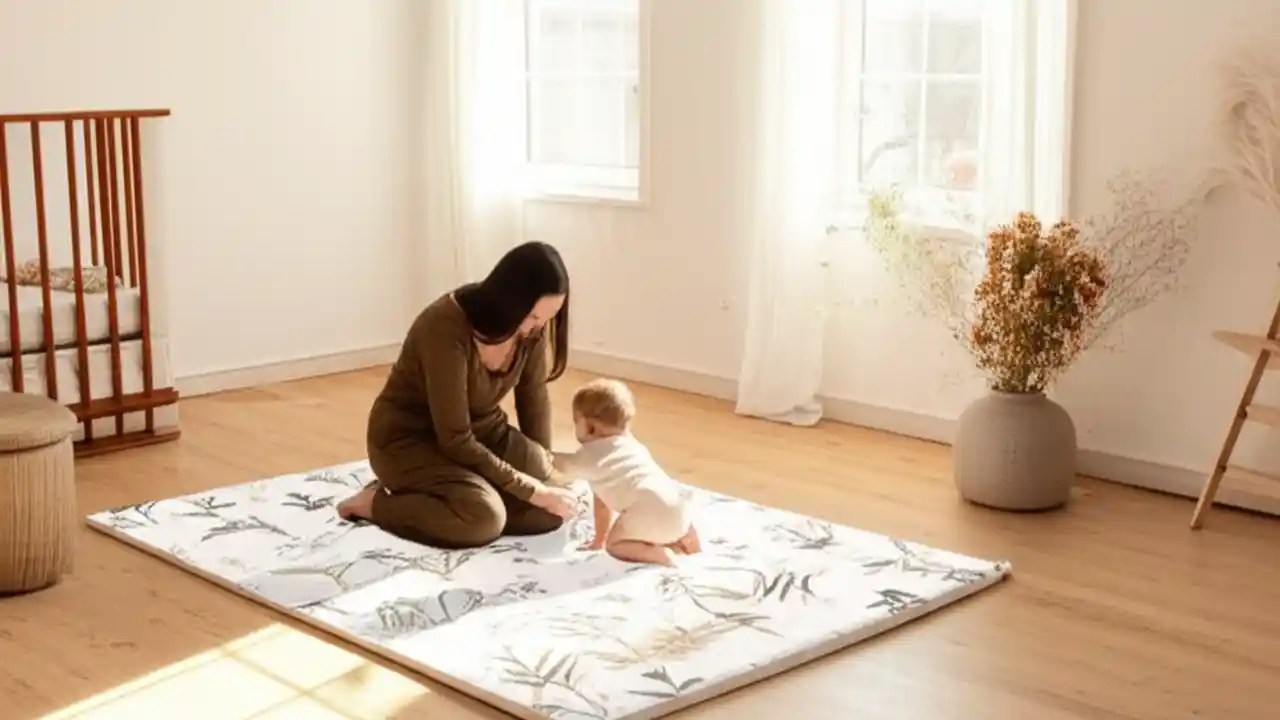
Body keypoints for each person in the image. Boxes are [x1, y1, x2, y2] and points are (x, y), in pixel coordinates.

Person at [337, 241, 581, 548]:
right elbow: (454, 438)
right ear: (511, 301)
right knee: (484, 518)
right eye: (533, 317)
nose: (538, 328)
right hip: (411, 439)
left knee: (550, 512)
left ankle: (454, 502)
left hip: (482, 432)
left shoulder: (530, 329)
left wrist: (541, 474)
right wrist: (533, 491)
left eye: (547, 318)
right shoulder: (443, 328)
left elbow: (533, 397)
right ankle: (375, 503)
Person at [554, 378, 701, 566]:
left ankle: (660, 555)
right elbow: (602, 505)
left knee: (615, 545)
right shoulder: (631, 445)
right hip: (679, 509)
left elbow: (561, 465)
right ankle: (685, 538)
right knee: (657, 516)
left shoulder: (592, 457)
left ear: (590, 427)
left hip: (650, 513)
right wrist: (597, 540)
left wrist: (540, 453)